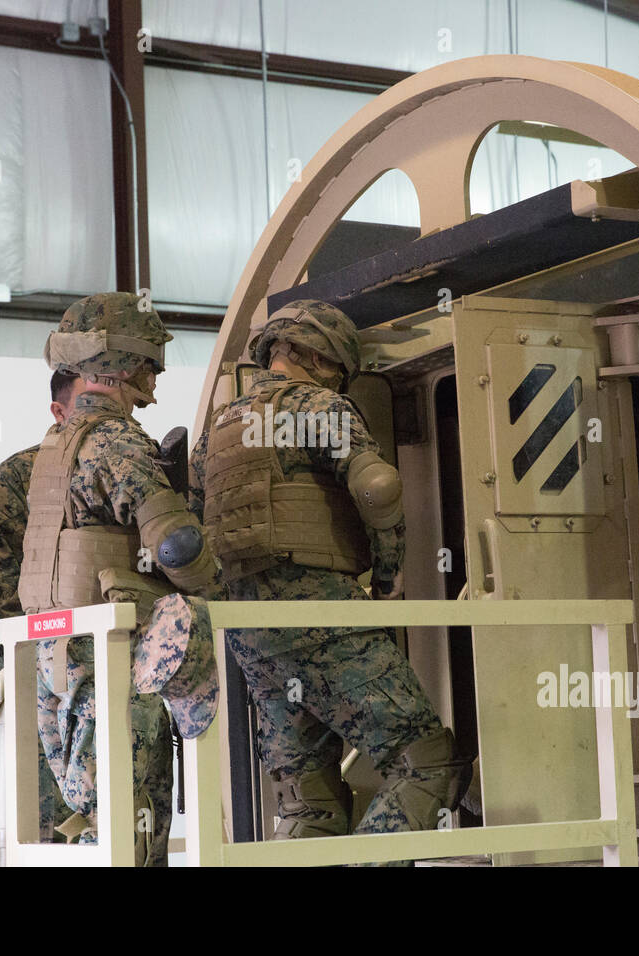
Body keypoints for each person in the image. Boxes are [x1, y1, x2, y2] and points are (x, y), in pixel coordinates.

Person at [190, 299, 470, 841]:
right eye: (339, 371)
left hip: (251, 634)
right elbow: (379, 486)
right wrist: (389, 577)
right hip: (320, 615)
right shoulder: (319, 408)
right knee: (426, 763)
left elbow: (196, 526)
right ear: (315, 357)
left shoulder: (216, 432)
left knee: (307, 800)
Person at [19, 292, 219, 865]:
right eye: (152, 363)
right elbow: (176, 541)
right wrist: (215, 587)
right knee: (132, 815)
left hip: (55, 649)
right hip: (109, 658)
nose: (155, 378)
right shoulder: (116, 438)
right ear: (127, 364)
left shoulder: (54, 445)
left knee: (95, 815)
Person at [0, 370, 81, 842]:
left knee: (133, 821)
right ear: (58, 411)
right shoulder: (22, 476)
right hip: (49, 678)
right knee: (49, 830)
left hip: (123, 670)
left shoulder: (133, 463)